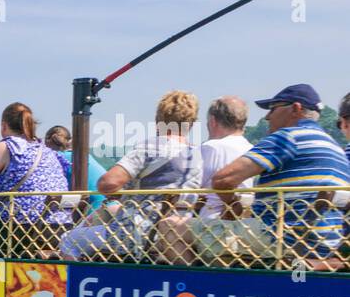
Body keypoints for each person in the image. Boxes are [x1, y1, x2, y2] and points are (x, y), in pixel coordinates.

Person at [212, 84, 350, 267]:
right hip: (327, 245)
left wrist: (233, 205)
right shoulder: (335, 147)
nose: (267, 116)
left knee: (173, 227)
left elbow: (222, 180)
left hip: (280, 239)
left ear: (296, 109)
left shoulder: (289, 137)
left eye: (273, 108)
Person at [59, 90, 202, 264]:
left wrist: (125, 191)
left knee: (69, 240)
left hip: (136, 233)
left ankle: (74, 287)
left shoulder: (151, 147)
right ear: (191, 124)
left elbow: (107, 184)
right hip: (176, 235)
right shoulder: (198, 154)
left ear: (158, 120)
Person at [0, 102, 71, 255]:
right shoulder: (47, 150)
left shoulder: (9, 146)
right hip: (61, 229)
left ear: (3, 126)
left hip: (22, 231)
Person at [184, 96, 256, 263]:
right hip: (244, 229)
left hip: (214, 225)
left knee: (169, 227)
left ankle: (189, 272)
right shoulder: (252, 149)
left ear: (213, 121)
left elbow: (189, 190)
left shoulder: (210, 148)